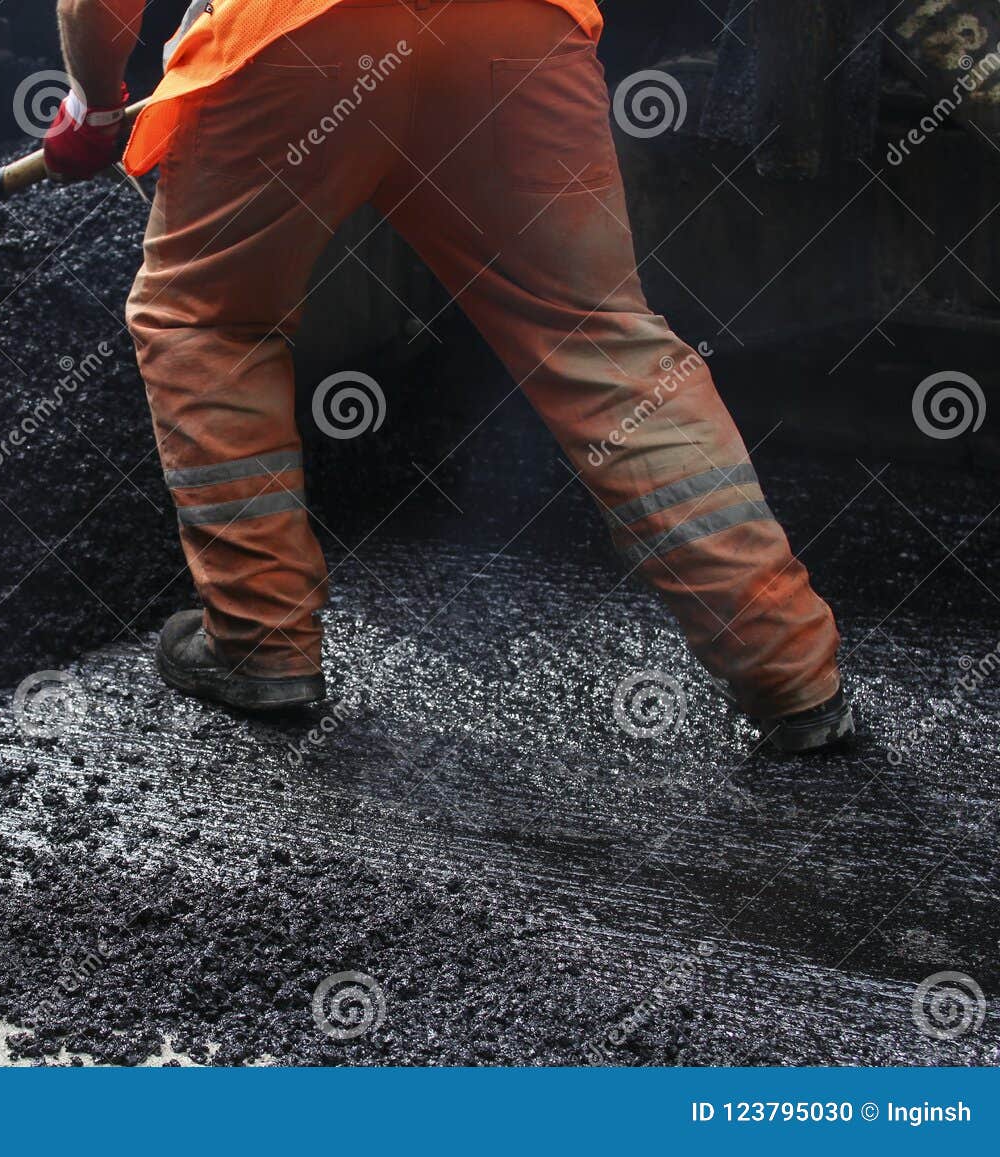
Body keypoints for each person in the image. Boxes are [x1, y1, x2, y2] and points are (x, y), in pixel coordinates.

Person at [43, 0, 854, 753]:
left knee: (208, 320)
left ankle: (260, 641)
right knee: (600, 343)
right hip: (516, 29)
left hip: (299, 35)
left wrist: (95, 104)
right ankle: (790, 670)